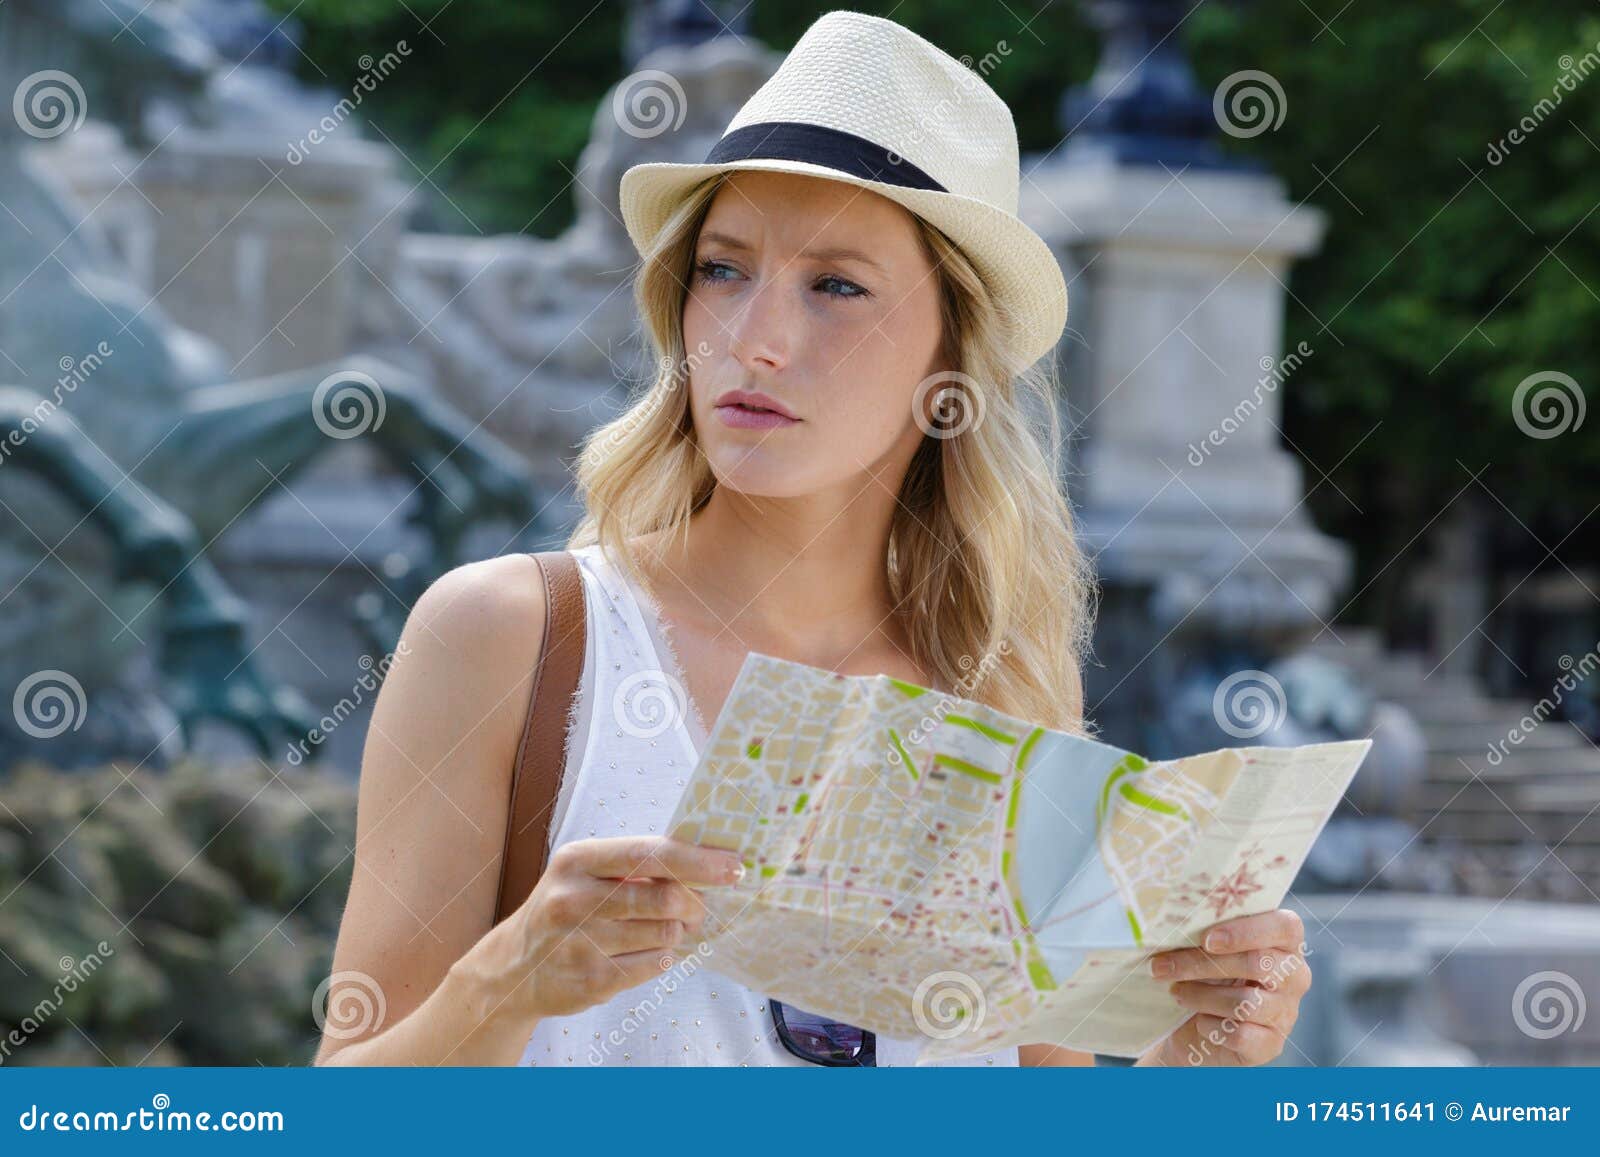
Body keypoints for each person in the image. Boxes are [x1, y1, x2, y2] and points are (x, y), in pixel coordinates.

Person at [314, 9, 1312, 1068]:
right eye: (724, 268)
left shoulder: (1010, 697)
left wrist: (1195, 1057)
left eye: (835, 285)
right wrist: (505, 983)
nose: (757, 338)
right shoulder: (509, 633)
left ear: (949, 358)